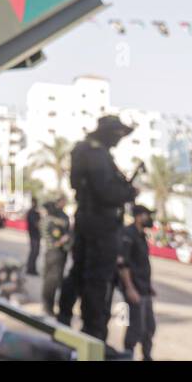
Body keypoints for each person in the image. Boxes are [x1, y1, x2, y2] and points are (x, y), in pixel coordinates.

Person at [57, 115, 138, 341]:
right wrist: (129, 193)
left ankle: (64, 319)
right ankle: (92, 333)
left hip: (88, 218)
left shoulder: (86, 150)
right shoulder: (96, 153)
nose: (120, 139)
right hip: (100, 223)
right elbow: (106, 192)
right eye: (118, 134)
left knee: (79, 271)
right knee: (96, 278)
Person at [117, 204, 156, 360]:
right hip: (134, 289)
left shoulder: (141, 235)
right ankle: (128, 356)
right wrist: (129, 288)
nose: (150, 218)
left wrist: (149, 286)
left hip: (144, 289)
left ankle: (147, 356)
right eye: (147, 215)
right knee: (135, 328)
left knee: (149, 327)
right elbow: (122, 264)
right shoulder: (128, 233)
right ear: (139, 216)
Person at [40, 193, 71, 316]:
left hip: (55, 252)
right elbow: (56, 240)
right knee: (51, 281)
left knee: (52, 280)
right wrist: (64, 239)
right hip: (55, 253)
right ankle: (48, 308)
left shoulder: (54, 218)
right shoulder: (53, 220)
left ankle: (48, 307)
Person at [25, 199, 41, 275]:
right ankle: (30, 269)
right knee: (34, 252)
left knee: (35, 252)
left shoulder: (34, 212)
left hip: (35, 235)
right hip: (34, 235)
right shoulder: (32, 212)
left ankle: (32, 268)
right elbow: (36, 224)